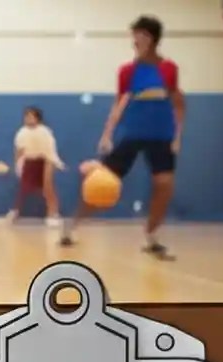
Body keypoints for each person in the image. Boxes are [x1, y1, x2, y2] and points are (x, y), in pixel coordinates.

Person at [68, 15, 183, 259]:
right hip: (133, 134)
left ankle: (152, 237)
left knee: (164, 185)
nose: (134, 42)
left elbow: (178, 104)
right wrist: (107, 134)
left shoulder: (169, 69)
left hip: (161, 136)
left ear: (151, 39)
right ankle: (72, 227)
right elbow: (119, 104)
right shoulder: (128, 71)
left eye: (138, 36)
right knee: (100, 182)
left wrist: (177, 136)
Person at [2, 106, 65, 228]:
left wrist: (53, 164)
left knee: (48, 188)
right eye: (26, 116)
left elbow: (50, 150)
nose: (28, 119)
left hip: (46, 160)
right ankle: (14, 212)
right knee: (23, 189)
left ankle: (53, 213)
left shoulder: (45, 132)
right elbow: (19, 151)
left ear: (38, 118)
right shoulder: (21, 133)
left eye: (31, 116)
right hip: (29, 162)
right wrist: (16, 165)